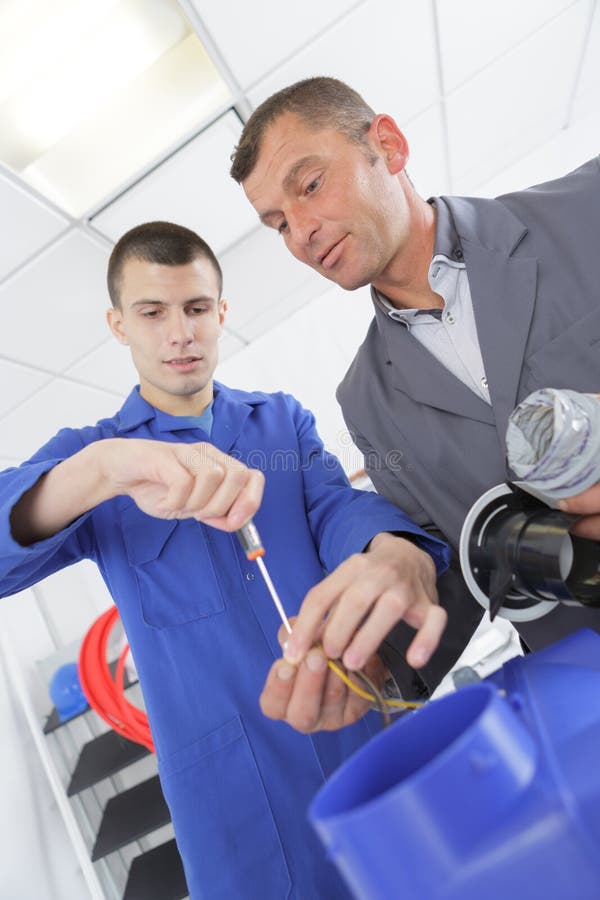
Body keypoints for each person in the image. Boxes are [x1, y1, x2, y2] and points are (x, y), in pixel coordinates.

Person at [0, 222, 448, 900]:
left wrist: (391, 549)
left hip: (351, 725)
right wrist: (104, 469)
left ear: (221, 313)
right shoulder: (95, 458)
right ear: (119, 325)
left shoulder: (279, 423)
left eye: (196, 308)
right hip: (235, 800)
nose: (180, 333)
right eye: (153, 313)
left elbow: (334, 507)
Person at [230, 75, 600, 720]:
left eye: (310, 185)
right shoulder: (366, 403)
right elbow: (452, 567)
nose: (301, 233)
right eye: (279, 224)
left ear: (389, 145)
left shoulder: (584, 211)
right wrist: (367, 661)